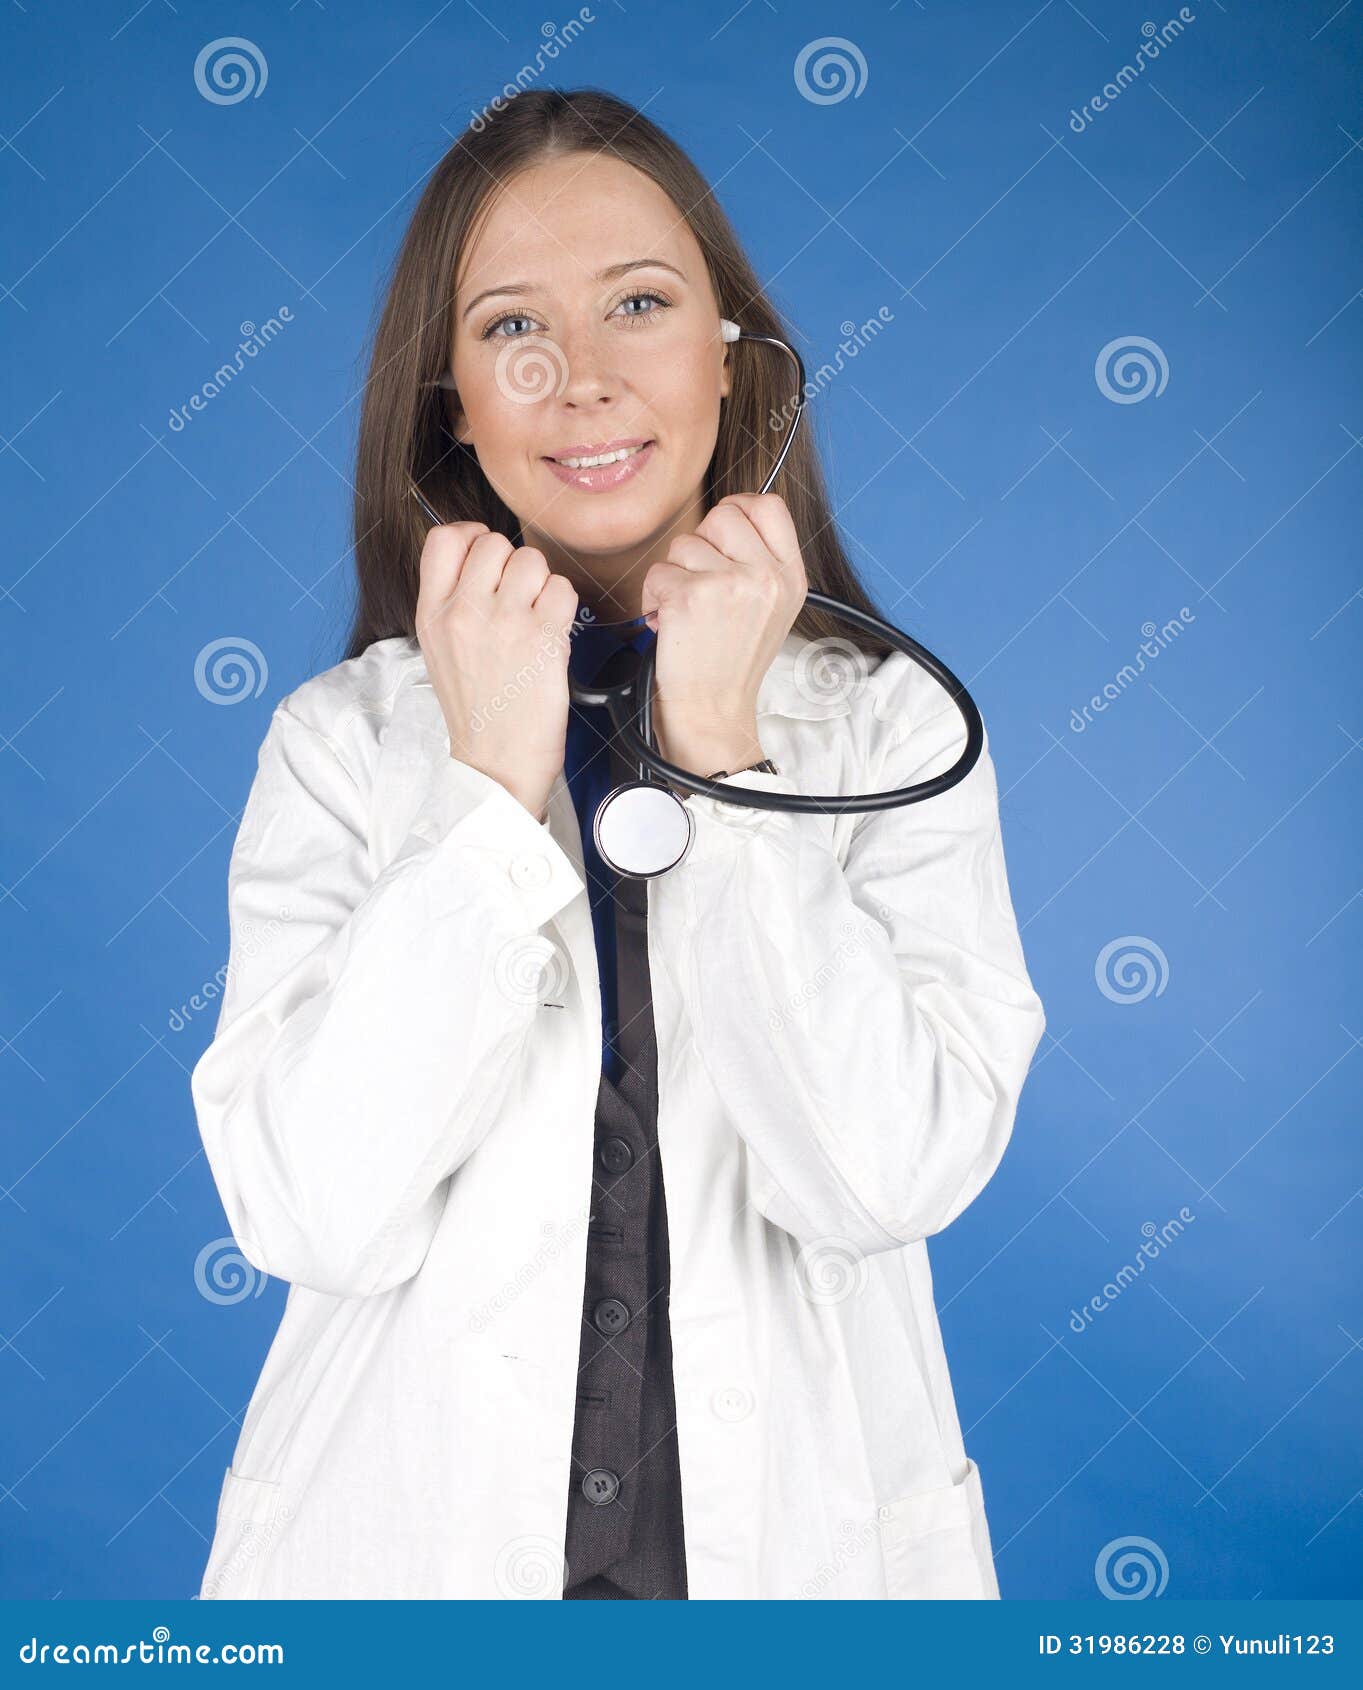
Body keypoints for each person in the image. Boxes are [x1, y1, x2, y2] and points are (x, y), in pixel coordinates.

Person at [190, 86, 1046, 1601]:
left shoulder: (890, 733)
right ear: (450, 399)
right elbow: (310, 1208)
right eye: (514, 327)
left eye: (639, 305)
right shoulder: (345, 743)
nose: (582, 379)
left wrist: (729, 749)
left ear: (735, 359)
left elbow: (880, 1177)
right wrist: (485, 792)